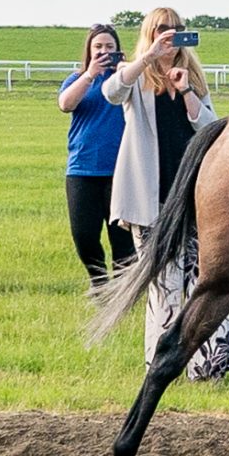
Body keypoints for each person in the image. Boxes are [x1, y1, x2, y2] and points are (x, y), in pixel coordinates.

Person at [104, 8, 229, 379]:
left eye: (176, 30)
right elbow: (112, 93)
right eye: (162, 30)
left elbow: (212, 128)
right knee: (164, 283)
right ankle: (161, 366)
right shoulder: (134, 75)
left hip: (193, 194)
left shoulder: (192, 76)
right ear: (150, 34)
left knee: (204, 279)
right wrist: (147, 57)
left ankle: (210, 365)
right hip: (148, 196)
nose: (170, 37)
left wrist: (186, 89)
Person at [58, 23, 135, 287]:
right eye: (98, 47)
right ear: (89, 52)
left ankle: (120, 290)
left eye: (109, 47)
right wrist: (90, 75)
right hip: (82, 168)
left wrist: (125, 70)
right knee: (84, 235)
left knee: (123, 237)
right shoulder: (77, 80)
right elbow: (65, 104)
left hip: (121, 169)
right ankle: (98, 281)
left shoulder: (126, 81)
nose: (104, 52)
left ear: (119, 50)